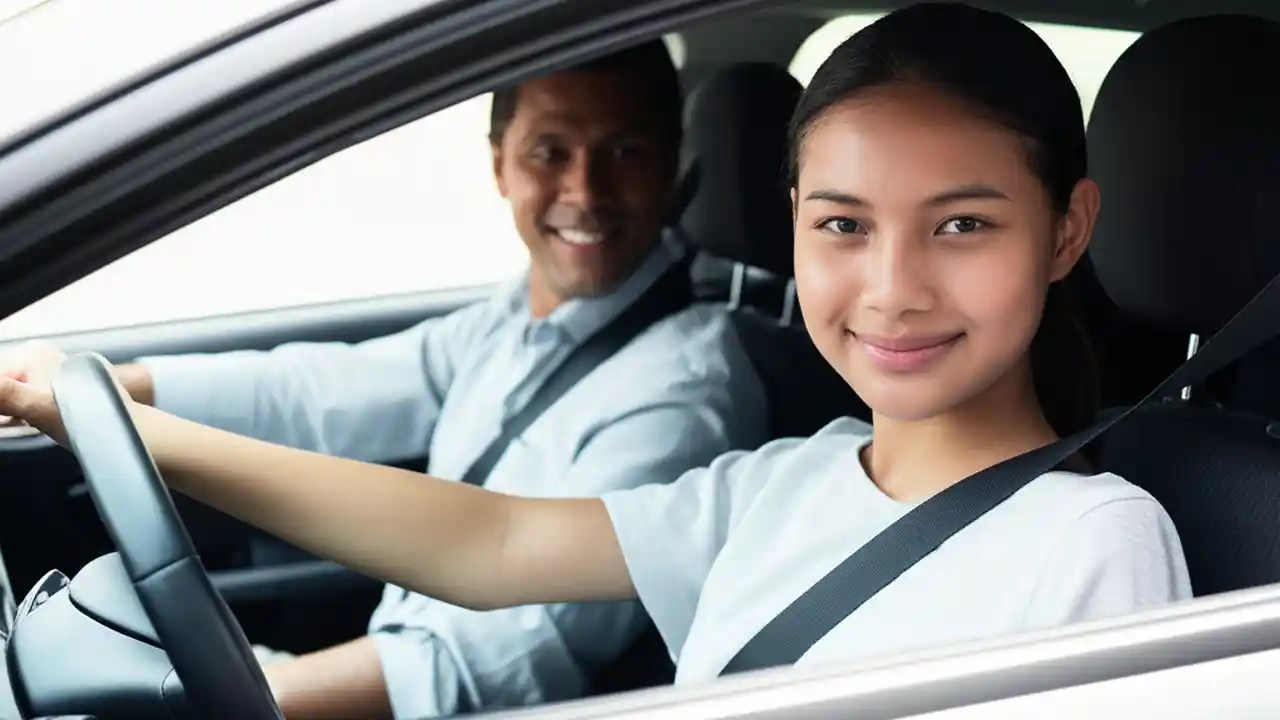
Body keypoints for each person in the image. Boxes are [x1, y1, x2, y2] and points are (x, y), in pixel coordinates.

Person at [0, 1, 1190, 694]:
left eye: (962, 225)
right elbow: (489, 541)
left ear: (1064, 230)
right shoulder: (784, 483)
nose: (891, 288)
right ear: (791, 225)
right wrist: (114, 421)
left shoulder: (1096, 545)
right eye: (842, 225)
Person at [0, 40, 767, 719]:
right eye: (549, 151)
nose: (585, 190)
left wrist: (228, 700)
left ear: (674, 166)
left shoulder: (684, 395)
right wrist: (106, 389)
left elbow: (490, 659)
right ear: (498, 165)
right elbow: (322, 391)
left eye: (625, 152)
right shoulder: (517, 319)